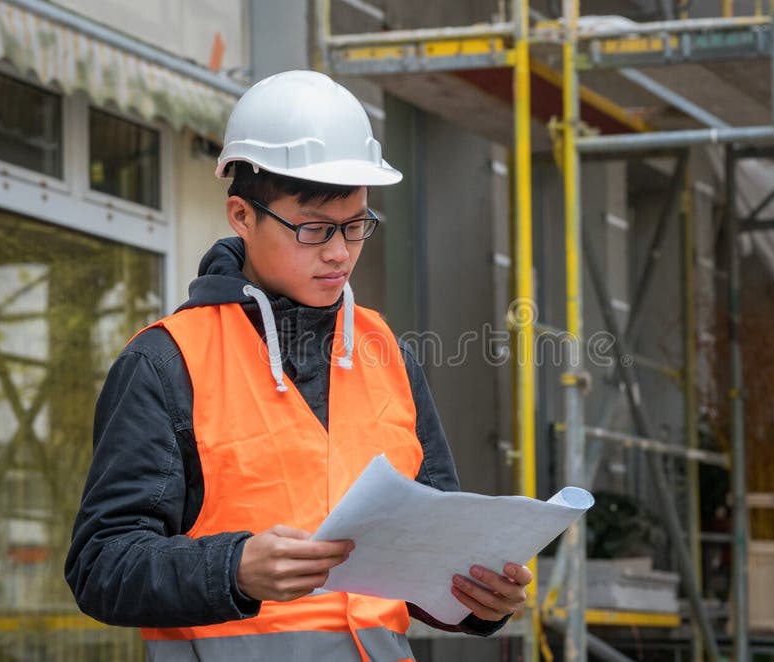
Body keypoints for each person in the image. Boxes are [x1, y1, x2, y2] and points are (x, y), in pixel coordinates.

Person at [65, 70, 532, 661]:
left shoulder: (387, 354)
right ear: (242, 215)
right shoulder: (165, 362)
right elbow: (100, 565)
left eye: (356, 225)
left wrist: (476, 599)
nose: (339, 252)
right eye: (313, 229)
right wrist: (232, 569)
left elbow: (426, 554)